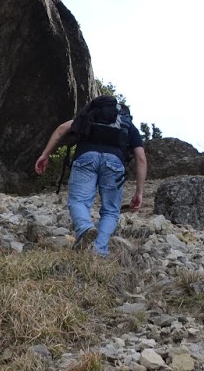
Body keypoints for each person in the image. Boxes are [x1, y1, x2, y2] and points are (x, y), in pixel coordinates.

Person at [35, 94, 147, 257]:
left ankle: (85, 228)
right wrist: (139, 192)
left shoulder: (89, 116)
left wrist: (45, 155)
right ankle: (98, 251)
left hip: (85, 158)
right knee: (110, 212)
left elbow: (61, 130)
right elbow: (141, 159)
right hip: (114, 164)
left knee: (78, 201)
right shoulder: (127, 124)